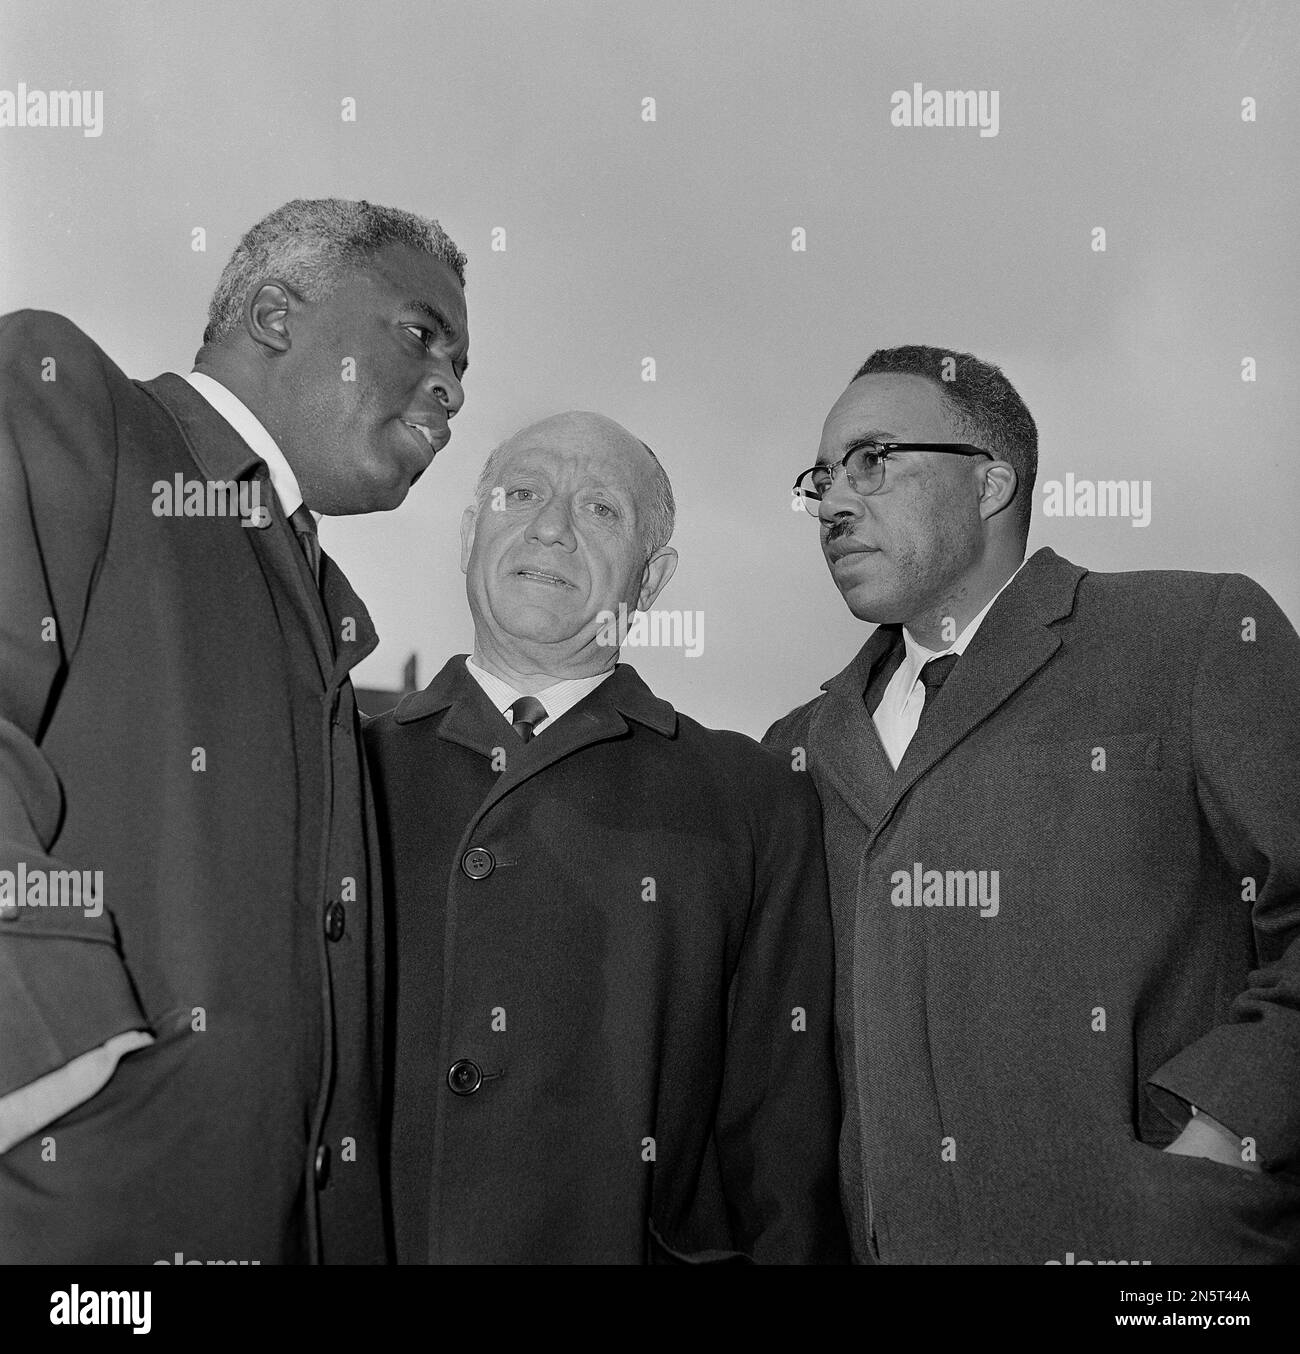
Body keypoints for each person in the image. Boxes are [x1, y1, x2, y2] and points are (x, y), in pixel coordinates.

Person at [0, 196, 469, 1264]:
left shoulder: (320, 608)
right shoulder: (66, 398)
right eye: (419, 333)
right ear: (272, 313)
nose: (448, 384)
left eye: (464, 370)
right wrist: (58, 1065)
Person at [766, 344, 1300, 1264]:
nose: (834, 502)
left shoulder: (1195, 636)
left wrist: (1225, 1136)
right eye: (822, 478)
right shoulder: (795, 749)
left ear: (991, 483)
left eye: (873, 460)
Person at [365, 411, 846, 1264]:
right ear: (472, 532)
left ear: (651, 580)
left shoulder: (753, 799)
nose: (549, 526)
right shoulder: (348, 765)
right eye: (521, 494)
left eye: (599, 510)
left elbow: (781, 1136)